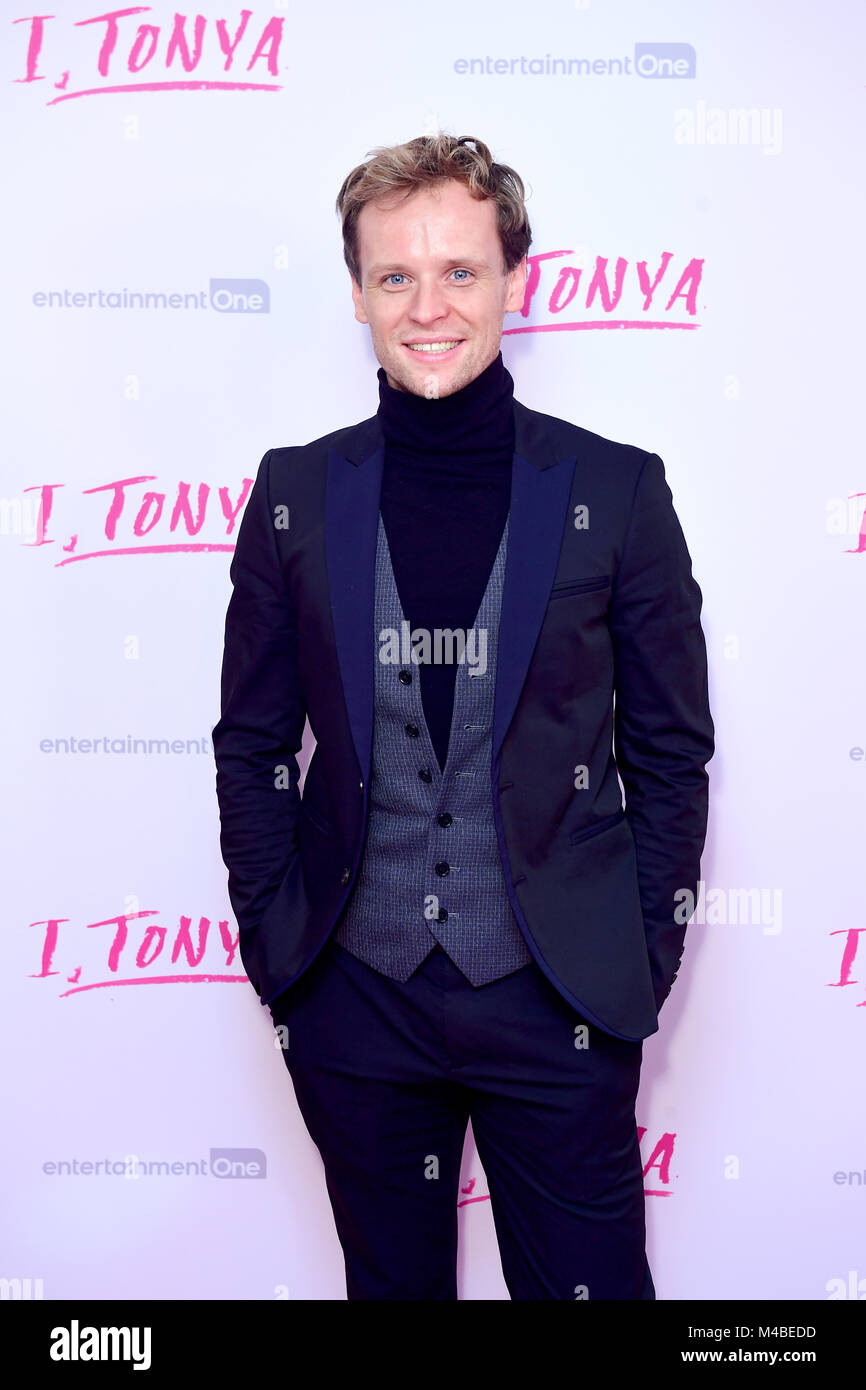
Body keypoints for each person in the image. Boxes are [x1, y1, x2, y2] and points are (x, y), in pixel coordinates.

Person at [212, 132, 715, 1300]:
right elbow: (250, 745)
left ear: (512, 284)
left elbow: (671, 752)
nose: (427, 306)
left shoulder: (615, 490)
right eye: (395, 276)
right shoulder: (293, 491)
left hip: (558, 1002)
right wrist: (281, 949)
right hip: (355, 998)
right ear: (355, 295)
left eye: (459, 273)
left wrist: (634, 956)